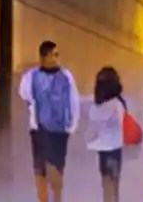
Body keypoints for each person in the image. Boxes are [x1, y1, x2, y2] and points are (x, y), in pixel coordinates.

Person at [19, 40, 81, 202]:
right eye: (53, 55)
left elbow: (74, 101)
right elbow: (25, 95)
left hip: (59, 131)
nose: (57, 58)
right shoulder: (31, 76)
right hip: (39, 130)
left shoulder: (66, 76)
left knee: (56, 170)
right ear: (43, 57)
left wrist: (72, 126)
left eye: (57, 54)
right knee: (40, 171)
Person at [87, 66, 127, 202]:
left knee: (107, 184)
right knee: (115, 185)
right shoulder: (118, 104)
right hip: (115, 148)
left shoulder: (96, 106)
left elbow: (93, 127)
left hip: (103, 150)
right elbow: (123, 123)